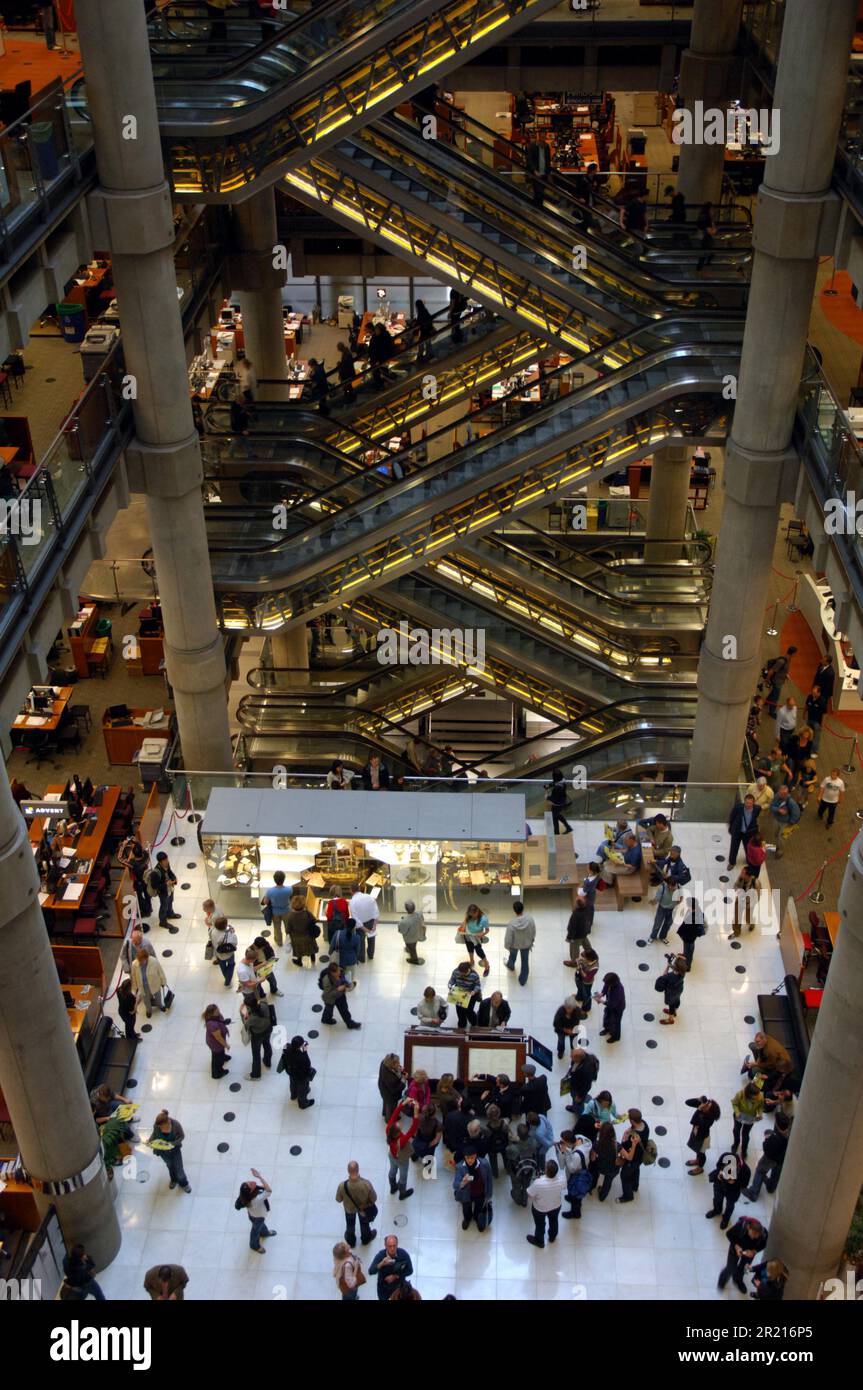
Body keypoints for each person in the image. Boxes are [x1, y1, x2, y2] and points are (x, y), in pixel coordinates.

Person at [743, 1114, 790, 1201]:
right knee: (776, 1174)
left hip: (770, 1159)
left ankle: (753, 1193)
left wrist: (766, 1140)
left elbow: (766, 1150)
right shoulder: (789, 1134)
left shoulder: (774, 1138)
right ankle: (771, 1187)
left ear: (777, 1125)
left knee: (760, 1171)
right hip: (781, 1159)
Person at [718, 1216, 767, 1293]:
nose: (753, 1238)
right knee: (731, 1266)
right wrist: (736, 1246)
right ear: (748, 1228)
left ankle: (738, 1279)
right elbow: (729, 1234)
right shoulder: (740, 1226)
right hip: (737, 1246)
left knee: (744, 1267)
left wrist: (754, 1251)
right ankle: (722, 1281)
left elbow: (763, 1245)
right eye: (752, 1235)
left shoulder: (763, 1234)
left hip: (750, 1252)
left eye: (756, 1237)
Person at [526, 1158, 567, 1247]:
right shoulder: (562, 1179)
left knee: (540, 1225)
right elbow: (563, 1187)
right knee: (554, 1221)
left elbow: (529, 1194)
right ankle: (552, 1237)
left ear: (546, 1170)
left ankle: (539, 1241)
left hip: (540, 1209)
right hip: (556, 1206)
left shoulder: (538, 1183)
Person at [336, 1161, 378, 1249]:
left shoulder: (342, 1186)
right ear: (358, 1170)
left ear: (348, 1171)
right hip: (363, 1209)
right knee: (364, 1224)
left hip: (349, 1209)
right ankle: (366, 1239)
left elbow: (338, 1199)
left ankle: (351, 1241)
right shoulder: (366, 1184)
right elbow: (374, 1198)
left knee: (350, 1225)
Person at [148, 1110, 191, 1193]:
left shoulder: (176, 1125)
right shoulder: (157, 1126)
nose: (161, 1128)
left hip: (174, 1150)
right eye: (159, 1127)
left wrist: (172, 1144)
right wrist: (150, 1141)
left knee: (179, 1169)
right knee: (170, 1166)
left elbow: (182, 1136)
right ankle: (174, 1180)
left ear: (167, 1122)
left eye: (162, 1126)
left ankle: (184, 1183)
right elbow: (154, 1134)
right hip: (163, 1151)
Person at [707, 1149, 752, 1230]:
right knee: (717, 1199)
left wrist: (734, 1182)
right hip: (719, 1184)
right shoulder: (726, 1156)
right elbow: (718, 1165)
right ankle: (717, 1210)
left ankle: (726, 1219)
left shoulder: (746, 1171)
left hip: (733, 1191)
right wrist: (720, 1173)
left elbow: (744, 1185)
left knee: (730, 1205)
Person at [453, 1146, 494, 1231]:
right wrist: (463, 1182)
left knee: (479, 1208)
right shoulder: (460, 1167)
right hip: (467, 1194)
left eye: (472, 1157)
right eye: (468, 1158)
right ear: (465, 1157)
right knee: (466, 1209)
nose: (470, 1160)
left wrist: (489, 1194)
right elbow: (455, 1185)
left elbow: (489, 1180)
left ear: (476, 1156)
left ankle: (477, 1218)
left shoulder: (485, 1164)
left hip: (480, 1192)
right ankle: (467, 1219)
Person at [236, 1169, 276, 1253]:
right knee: (255, 1231)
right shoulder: (256, 1199)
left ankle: (264, 1233)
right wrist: (259, 1177)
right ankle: (254, 1245)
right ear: (250, 1191)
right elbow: (269, 1190)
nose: (252, 1182)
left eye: (248, 1181)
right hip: (258, 1217)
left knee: (260, 1226)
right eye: (251, 1184)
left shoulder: (245, 1196)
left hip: (254, 1215)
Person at [386, 1099, 419, 1200]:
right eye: (398, 1126)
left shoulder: (388, 1130)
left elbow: (394, 1115)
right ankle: (402, 1193)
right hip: (402, 1160)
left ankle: (393, 1187)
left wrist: (402, 1104)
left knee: (392, 1170)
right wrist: (416, 1114)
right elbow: (412, 1129)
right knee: (403, 1177)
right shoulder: (401, 1140)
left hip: (392, 1155)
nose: (398, 1123)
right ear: (397, 1133)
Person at [617, 1109, 650, 1203]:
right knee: (636, 1170)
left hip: (632, 1160)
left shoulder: (633, 1138)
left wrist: (625, 1135)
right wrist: (630, 1130)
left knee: (624, 1176)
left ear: (632, 1121)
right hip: (640, 1157)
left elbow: (624, 1145)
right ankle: (635, 1186)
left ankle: (628, 1196)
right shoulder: (644, 1124)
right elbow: (633, 1129)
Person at [505, 1123, 541, 1207]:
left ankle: (518, 1199)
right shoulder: (534, 1142)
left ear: (518, 1134)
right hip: (529, 1169)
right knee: (526, 1185)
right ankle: (525, 1201)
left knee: (516, 1186)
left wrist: (511, 1140)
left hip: (516, 1171)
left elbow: (507, 1154)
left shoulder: (513, 1148)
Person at [684, 1096, 721, 1176]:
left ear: (710, 1112)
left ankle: (700, 1168)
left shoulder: (709, 1119)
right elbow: (687, 1102)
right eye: (707, 1104)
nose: (705, 1106)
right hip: (697, 1135)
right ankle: (697, 1160)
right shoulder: (704, 1109)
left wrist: (699, 1109)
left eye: (708, 1106)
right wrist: (698, 1099)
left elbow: (693, 1121)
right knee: (698, 1151)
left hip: (703, 1139)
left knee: (701, 1153)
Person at [369, 1235, 413, 1301]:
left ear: (397, 1244)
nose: (392, 1249)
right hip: (384, 1288)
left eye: (394, 1246)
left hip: (399, 1287)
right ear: (385, 1246)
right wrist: (381, 1263)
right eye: (390, 1246)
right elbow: (371, 1271)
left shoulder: (403, 1254)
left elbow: (410, 1270)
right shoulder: (380, 1256)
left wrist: (396, 1276)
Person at [504, 899, 536, 984]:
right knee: (525, 961)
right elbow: (533, 930)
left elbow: (508, 938)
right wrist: (532, 940)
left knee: (512, 957)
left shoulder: (511, 923)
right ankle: (523, 980)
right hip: (526, 944)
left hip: (514, 945)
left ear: (514, 910)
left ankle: (511, 966)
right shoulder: (530, 919)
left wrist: (507, 946)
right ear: (523, 908)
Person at [119, 836, 152, 918]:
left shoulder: (132, 864)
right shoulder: (146, 855)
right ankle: (149, 908)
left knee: (140, 898)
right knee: (147, 894)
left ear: (133, 853)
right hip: (146, 878)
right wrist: (136, 842)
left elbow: (119, 858)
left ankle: (146, 910)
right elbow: (141, 848)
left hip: (138, 882)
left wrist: (123, 845)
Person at [130, 947, 168, 1018]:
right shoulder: (134, 964)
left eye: (142, 960)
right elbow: (133, 977)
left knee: (158, 997)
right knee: (146, 1000)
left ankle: (160, 1005)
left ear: (146, 958)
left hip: (154, 984)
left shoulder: (154, 961)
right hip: (143, 986)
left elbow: (160, 972)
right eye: (139, 960)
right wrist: (134, 990)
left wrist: (163, 982)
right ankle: (149, 1010)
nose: (140, 962)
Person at [242, 995, 273, 1080]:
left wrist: (244, 1015)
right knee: (267, 1044)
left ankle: (256, 1075)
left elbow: (246, 1025)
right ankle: (267, 1062)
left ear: (248, 1006)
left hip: (257, 1035)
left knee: (256, 1053)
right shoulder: (264, 1005)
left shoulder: (252, 1018)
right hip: (268, 1028)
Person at [731, 1081, 765, 1158]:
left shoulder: (760, 1096)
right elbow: (734, 1103)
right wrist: (737, 1112)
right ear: (748, 1093)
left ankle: (744, 1150)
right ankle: (736, 1144)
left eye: (757, 1095)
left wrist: (760, 1114)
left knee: (745, 1134)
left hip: (750, 1118)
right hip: (739, 1116)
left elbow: (761, 1106)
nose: (756, 1097)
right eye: (754, 1096)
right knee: (736, 1130)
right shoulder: (740, 1094)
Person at [727, 793, 761, 870]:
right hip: (737, 831)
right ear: (744, 802)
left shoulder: (757, 809)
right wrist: (731, 828)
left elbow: (756, 817)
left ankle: (749, 861)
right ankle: (732, 862)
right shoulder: (738, 807)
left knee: (748, 848)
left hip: (748, 833)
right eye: (747, 802)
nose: (748, 804)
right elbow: (732, 817)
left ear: (753, 803)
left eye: (750, 803)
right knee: (734, 847)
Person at [564, 1047, 600, 1118]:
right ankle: (575, 1106)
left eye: (572, 1057)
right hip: (575, 1082)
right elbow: (573, 1067)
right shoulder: (583, 1057)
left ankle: (580, 1115)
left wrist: (580, 1096)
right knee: (575, 1099)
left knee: (578, 1102)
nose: (571, 1058)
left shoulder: (586, 1070)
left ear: (578, 1059)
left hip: (579, 1089)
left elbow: (586, 1085)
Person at [349, 880, 380, 960]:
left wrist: (364, 929)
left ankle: (361, 958)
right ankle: (371, 955)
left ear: (351, 890)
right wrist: (374, 926)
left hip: (361, 926)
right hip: (371, 922)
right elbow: (376, 912)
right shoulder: (369, 897)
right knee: (371, 939)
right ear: (359, 889)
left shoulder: (352, 902)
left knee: (361, 941)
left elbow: (355, 919)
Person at [261, 869, 293, 948]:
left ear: (274, 880)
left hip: (275, 912)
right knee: (288, 927)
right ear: (284, 879)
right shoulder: (289, 889)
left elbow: (265, 902)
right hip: (286, 911)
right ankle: (289, 940)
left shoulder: (270, 891)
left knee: (277, 928)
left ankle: (279, 942)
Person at [148, 851, 179, 928]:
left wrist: (174, 878)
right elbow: (154, 886)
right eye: (165, 860)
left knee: (170, 901)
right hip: (163, 892)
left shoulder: (167, 864)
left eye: (167, 859)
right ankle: (163, 922)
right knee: (164, 906)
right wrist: (166, 884)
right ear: (160, 862)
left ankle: (170, 914)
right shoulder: (155, 873)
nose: (167, 861)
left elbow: (170, 872)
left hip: (170, 888)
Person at [763, 646, 797, 716]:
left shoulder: (788, 659)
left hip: (780, 680)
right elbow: (771, 671)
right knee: (776, 697)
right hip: (777, 682)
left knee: (773, 693)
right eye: (795, 654)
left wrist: (785, 675)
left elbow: (783, 670)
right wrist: (767, 680)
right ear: (793, 654)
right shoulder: (781, 661)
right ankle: (772, 712)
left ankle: (767, 702)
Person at [447, 960, 482, 1028]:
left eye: (463, 974)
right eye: (460, 973)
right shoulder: (456, 971)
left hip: (470, 994)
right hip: (459, 993)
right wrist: (450, 985)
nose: (461, 975)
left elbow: (478, 985)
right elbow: (452, 980)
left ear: (467, 970)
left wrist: (474, 991)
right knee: (459, 1010)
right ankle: (462, 1024)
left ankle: (474, 1022)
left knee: (469, 1011)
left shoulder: (474, 975)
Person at [458, 902, 490, 974]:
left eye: (473, 915)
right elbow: (465, 922)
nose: (472, 916)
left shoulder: (484, 919)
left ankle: (487, 965)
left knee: (479, 952)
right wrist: (462, 927)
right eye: (470, 915)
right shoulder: (469, 916)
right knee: (469, 949)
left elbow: (487, 930)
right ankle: (471, 961)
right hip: (468, 935)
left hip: (476, 937)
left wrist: (482, 934)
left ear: (477, 911)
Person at [592, 1121, 620, 1202]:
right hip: (612, 1169)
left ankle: (593, 1186)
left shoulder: (597, 1144)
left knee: (595, 1175)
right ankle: (602, 1197)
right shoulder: (616, 1145)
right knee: (607, 1183)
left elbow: (593, 1158)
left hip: (600, 1166)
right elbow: (628, 1157)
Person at [655, 954, 688, 1024]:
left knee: (671, 1005)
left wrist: (667, 966)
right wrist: (675, 961)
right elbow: (682, 960)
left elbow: (663, 976)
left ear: (676, 967)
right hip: (679, 989)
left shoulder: (671, 976)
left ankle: (670, 1019)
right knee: (677, 1000)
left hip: (671, 993)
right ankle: (675, 1012)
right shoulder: (683, 971)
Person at [770, 785, 801, 857]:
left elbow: (797, 813)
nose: (781, 795)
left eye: (783, 794)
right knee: (776, 834)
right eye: (780, 793)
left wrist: (791, 823)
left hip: (786, 823)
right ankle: (777, 845)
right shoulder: (777, 796)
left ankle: (780, 850)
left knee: (781, 837)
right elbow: (771, 806)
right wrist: (778, 810)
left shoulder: (791, 802)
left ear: (787, 793)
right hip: (777, 820)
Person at [207, 914, 237, 986]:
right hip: (229, 955)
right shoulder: (229, 933)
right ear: (225, 925)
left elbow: (210, 937)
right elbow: (234, 943)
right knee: (231, 965)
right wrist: (231, 930)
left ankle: (226, 977)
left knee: (223, 967)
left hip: (219, 954)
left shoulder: (212, 930)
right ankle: (227, 981)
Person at [202, 1004, 231, 1079]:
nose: (219, 1012)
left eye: (218, 1010)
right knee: (217, 1057)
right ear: (212, 1013)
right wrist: (226, 1045)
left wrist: (224, 1022)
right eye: (217, 1011)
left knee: (220, 1053)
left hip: (216, 1041)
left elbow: (220, 1021)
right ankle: (217, 1073)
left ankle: (223, 1056)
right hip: (215, 1043)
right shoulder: (212, 1025)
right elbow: (218, 1038)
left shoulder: (216, 1016)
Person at [596, 971, 625, 1043]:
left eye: (607, 983)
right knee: (607, 1017)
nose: (606, 984)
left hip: (617, 1008)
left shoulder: (619, 990)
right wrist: (601, 994)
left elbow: (612, 1004)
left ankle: (615, 1037)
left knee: (615, 1023)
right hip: (610, 1005)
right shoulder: (610, 983)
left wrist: (602, 1001)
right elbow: (605, 987)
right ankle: (607, 1029)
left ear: (612, 983)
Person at [676, 897, 705, 968]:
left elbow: (687, 928)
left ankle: (687, 966)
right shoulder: (699, 911)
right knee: (689, 949)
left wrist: (681, 933)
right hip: (691, 937)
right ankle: (685, 956)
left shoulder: (692, 918)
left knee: (688, 951)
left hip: (688, 937)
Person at [650, 875, 679, 944]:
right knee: (657, 924)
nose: (672, 888)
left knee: (667, 925)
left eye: (673, 886)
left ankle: (662, 937)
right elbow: (657, 899)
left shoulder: (679, 889)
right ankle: (653, 937)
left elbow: (680, 898)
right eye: (670, 886)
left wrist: (676, 903)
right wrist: (653, 902)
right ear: (667, 884)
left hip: (672, 909)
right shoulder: (662, 888)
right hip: (662, 908)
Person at [553, 995, 583, 1060]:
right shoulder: (560, 1011)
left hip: (573, 1030)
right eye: (567, 1008)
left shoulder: (577, 1011)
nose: (568, 1010)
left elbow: (577, 1022)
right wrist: (565, 1030)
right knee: (561, 1041)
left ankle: (573, 1052)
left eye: (570, 1008)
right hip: (561, 1030)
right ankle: (561, 1051)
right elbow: (555, 1024)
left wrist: (572, 1030)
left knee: (574, 1042)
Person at [572, 943, 599, 1014]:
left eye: (584, 957)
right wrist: (579, 961)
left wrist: (580, 969)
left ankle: (586, 1008)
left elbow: (587, 977)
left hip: (587, 982)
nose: (582, 956)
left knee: (586, 995)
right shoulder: (586, 959)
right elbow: (580, 961)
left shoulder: (594, 967)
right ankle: (579, 997)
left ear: (589, 959)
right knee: (580, 988)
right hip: (580, 978)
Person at [378, 1053, 406, 1119]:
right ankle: (389, 1118)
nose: (399, 1063)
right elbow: (395, 1089)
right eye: (397, 1063)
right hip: (390, 1094)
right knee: (391, 1105)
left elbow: (394, 1071)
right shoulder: (391, 1079)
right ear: (392, 1065)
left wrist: (398, 1069)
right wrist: (403, 1080)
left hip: (383, 1088)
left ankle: (384, 1112)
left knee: (386, 1102)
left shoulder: (384, 1062)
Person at [564, 892, 592, 959]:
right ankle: (589, 953)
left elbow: (572, 927)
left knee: (574, 947)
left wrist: (569, 937)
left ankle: (574, 961)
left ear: (577, 905)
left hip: (576, 935)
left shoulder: (576, 915)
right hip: (584, 931)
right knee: (585, 942)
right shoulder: (588, 908)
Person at [398, 898, 426, 965]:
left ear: (406, 909)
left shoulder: (404, 921)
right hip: (418, 933)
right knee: (412, 946)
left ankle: (414, 959)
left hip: (410, 938)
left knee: (412, 948)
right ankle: (408, 949)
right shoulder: (419, 913)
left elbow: (402, 931)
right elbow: (422, 921)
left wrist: (401, 922)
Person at [368, 322, 396, 387]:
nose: (375, 331)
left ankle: (381, 385)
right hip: (376, 359)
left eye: (377, 330)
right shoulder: (377, 336)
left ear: (380, 330)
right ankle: (380, 383)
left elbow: (383, 351)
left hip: (380, 360)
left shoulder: (384, 338)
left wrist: (379, 361)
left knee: (379, 371)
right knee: (378, 372)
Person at [545, 768, 572, 833]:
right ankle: (568, 827)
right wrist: (549, 785)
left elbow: (555, 799)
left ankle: (556, 833)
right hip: (562, 801)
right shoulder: (563, 781)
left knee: (555, 818)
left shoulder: (557, 788)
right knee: (557, 815)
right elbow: (556, 783)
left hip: (557, 804)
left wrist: (547, 797)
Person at [116, 977, 141, 1043]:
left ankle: (129, 1036)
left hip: (122, 1012)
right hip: (128, 1014)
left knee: (127, 1025)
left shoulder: (119, 990)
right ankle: (134, 1039)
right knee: (131, 1026)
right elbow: (132, 1011)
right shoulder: (129, 998)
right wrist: (137, 1000)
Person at [695, 200, 716, 270]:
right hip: (706, 238)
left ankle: (700, 270)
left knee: (704, 255)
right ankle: (701, 270)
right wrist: (715, 229)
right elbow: (711, 231)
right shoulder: (707, 218)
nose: (713, 211)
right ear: (709, 209)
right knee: (709, 254)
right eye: (712, 209)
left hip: (703, 238)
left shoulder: (702, 216)